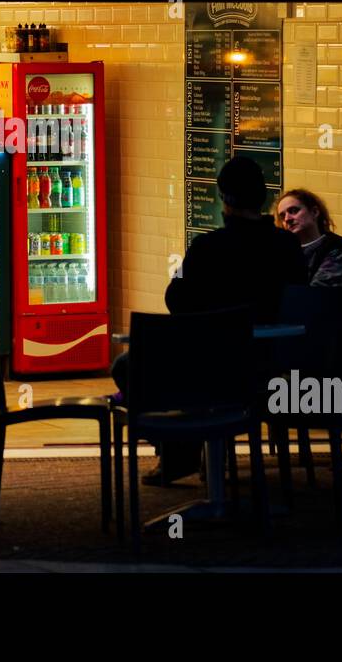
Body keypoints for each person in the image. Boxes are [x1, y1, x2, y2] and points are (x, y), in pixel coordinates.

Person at [112, 155, 307, 484]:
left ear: (224, 201)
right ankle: (191, 449)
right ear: (264, 199)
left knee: (126, 365)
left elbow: (175, 298)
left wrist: (188, 285)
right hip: (270, 366)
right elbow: (299, 296)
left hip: (210, 365)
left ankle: (180, 449)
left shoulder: (206, 247)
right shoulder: (287, 245)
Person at [275, 188, 342, 287]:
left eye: (293, 211)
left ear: (314, 212)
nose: (287, 219)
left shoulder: (338, 248)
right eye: (282, 216)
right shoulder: (282, 249)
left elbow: (317, 291)